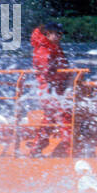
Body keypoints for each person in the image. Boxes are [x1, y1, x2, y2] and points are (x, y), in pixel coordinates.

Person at [30, 22, 72, 153]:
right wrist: (65, 76)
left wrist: (68, 76)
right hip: (48, 89)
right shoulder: (43, 49)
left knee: (50, 117)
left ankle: (37, 147)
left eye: (61, 34)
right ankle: (68, 147)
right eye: (57, 34)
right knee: (63, 114)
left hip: (56, 89)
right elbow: (47, 72)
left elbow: (61, 68)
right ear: (48, 34)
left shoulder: (54, 47)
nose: (60, 37)